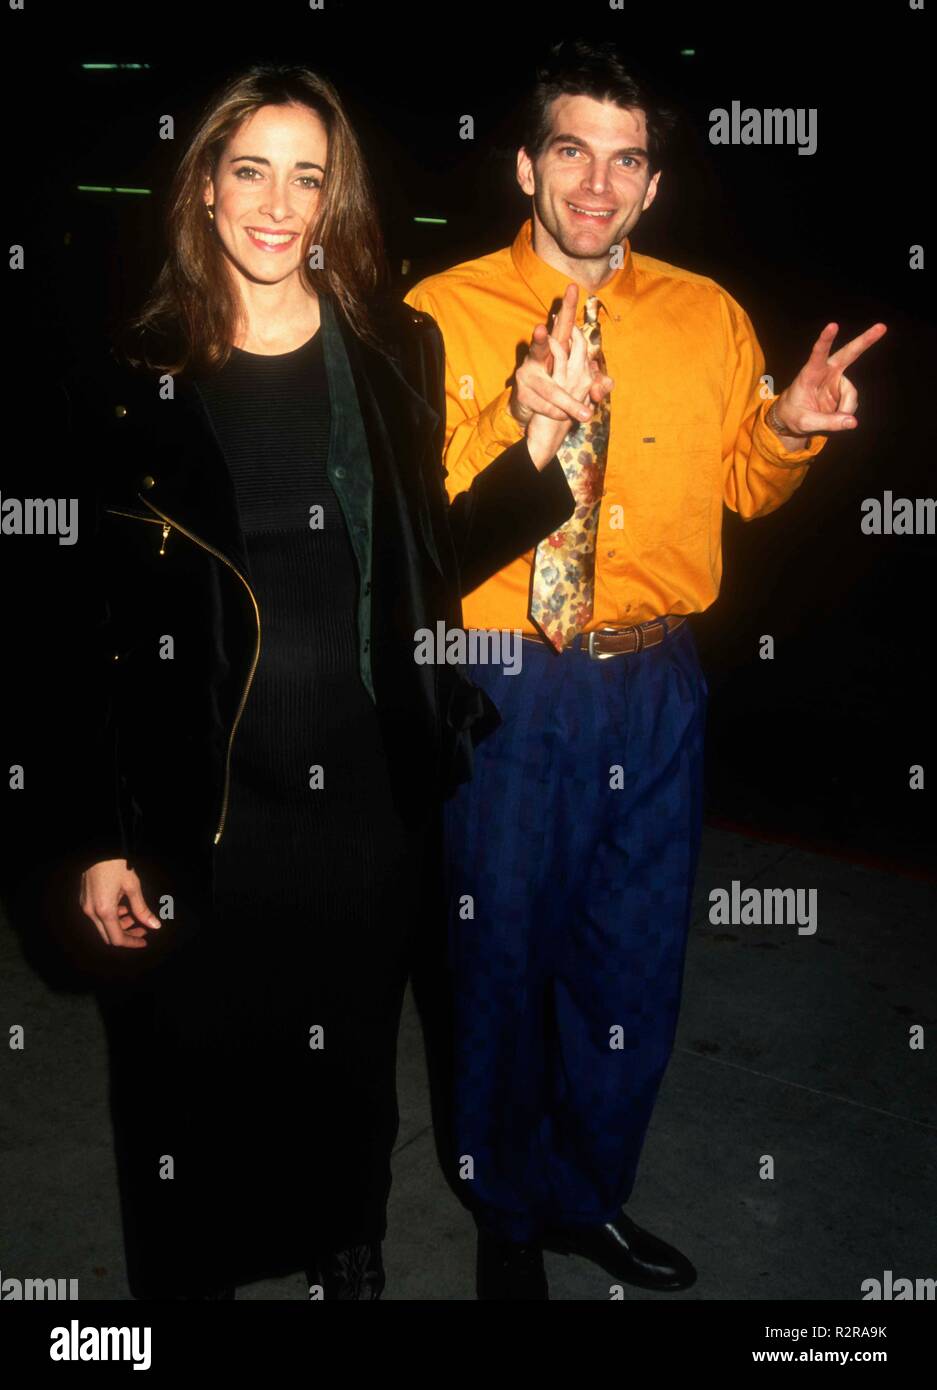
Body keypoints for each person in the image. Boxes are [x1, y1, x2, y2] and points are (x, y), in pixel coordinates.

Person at [61, 62, 593, 1301]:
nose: (277, 204)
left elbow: (421, 565)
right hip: (203, 809)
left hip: (366, 799)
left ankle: (348, 1245)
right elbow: (71, 628)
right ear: (203, 187)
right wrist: (95, 835)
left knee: (348, 1057)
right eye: (250, 169)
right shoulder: (131, 376)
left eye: (308, 177)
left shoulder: (389, 349)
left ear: (333, 198)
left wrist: (536, 448)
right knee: (187, 1074)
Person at [404, 39, 886, 1299]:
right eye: (571, 149)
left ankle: (586, 1197)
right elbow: (410, 519)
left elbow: (738, 480)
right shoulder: (439, 312)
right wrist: (523, 422)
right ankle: (505, 1212)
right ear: (526, 164)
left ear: (654, 186)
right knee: (499, 959)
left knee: (628, 962)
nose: (597, 184)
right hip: (502, 673)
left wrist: (784, 432)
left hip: (653, 681)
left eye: (626, 159)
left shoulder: (707, 314)